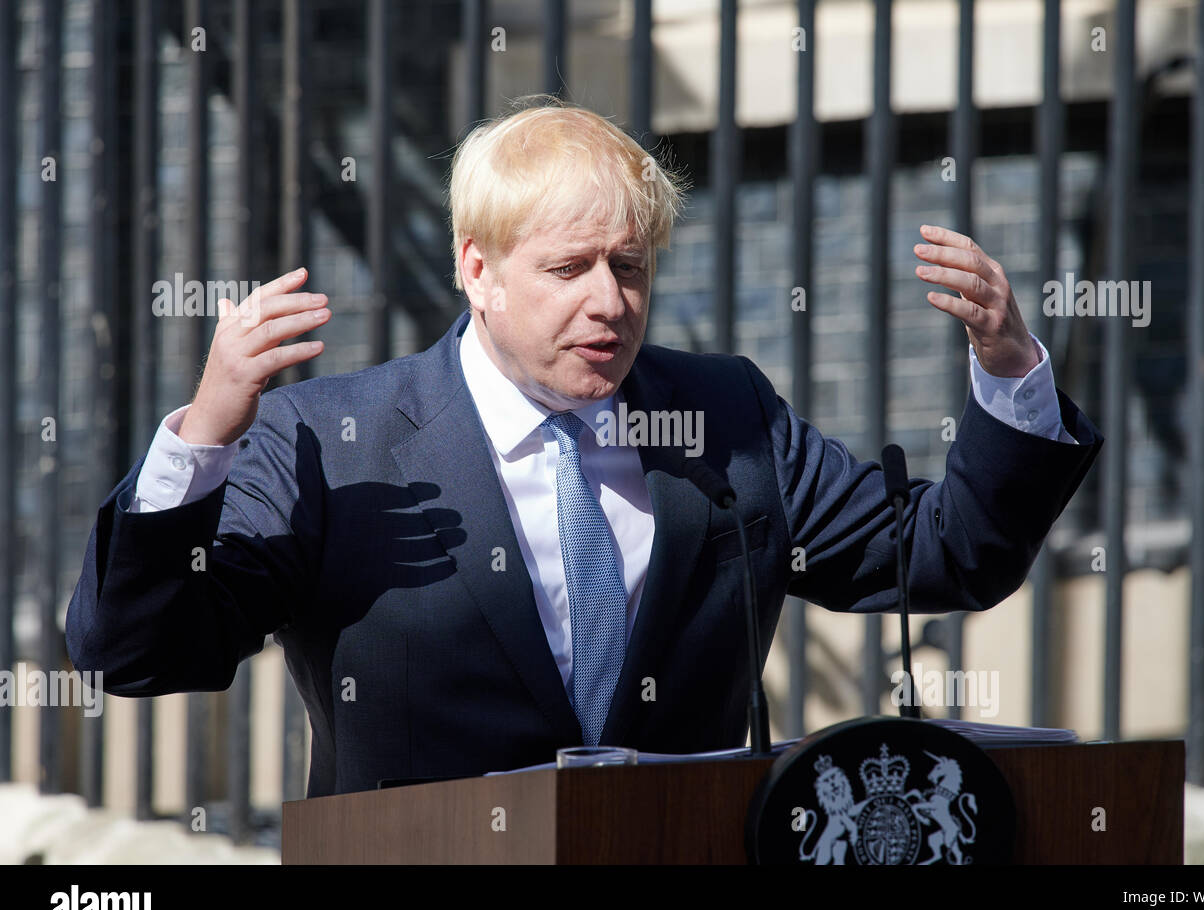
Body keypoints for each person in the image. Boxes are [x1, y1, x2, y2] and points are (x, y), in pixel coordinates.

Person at [65, 99, 1102, 796]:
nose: (610, 302)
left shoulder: (723, 416)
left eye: (629, 265)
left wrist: (1009, 368)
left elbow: (945, 555)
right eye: (569, 268)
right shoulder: (336, 440)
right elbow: (142, 652)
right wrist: (204, 433)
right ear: (478, 269)